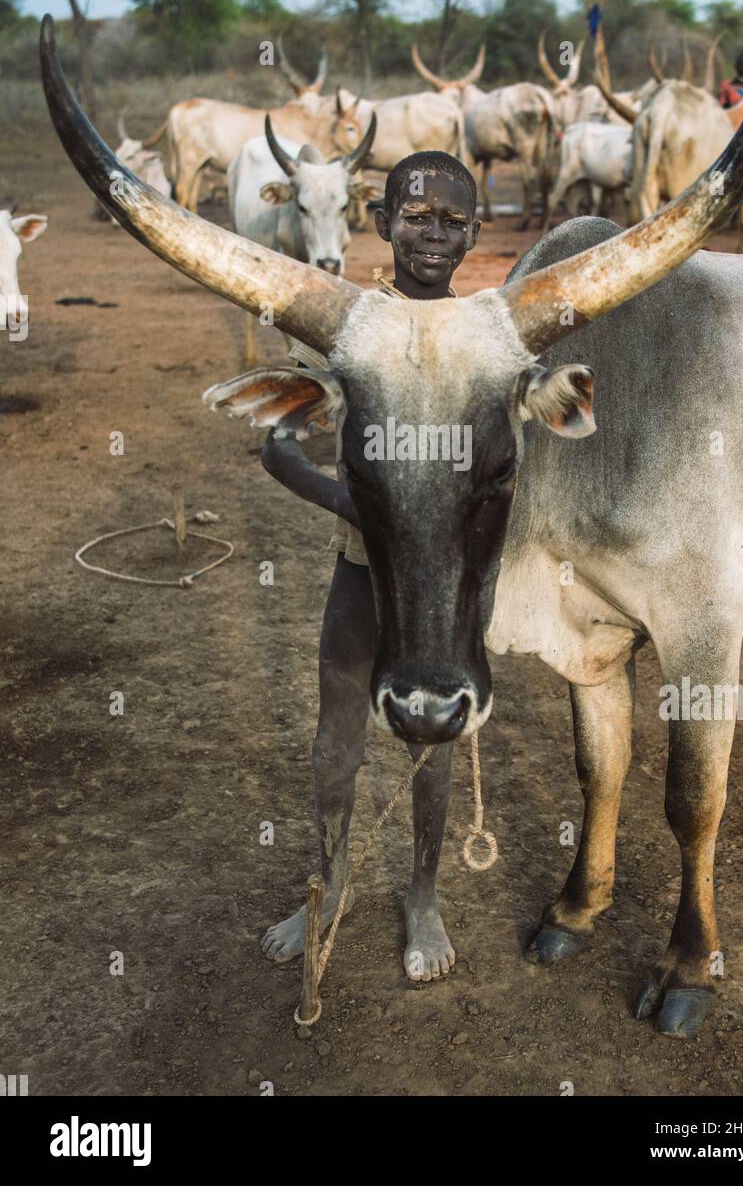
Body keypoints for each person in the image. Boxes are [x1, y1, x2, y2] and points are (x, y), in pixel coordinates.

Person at [259, 150, 480, 982]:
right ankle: (331, 877)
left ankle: (423, 897)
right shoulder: (342, 327)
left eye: (451, 221)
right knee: (336, 741)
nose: (432, 234)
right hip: (359, 575)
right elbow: (278, 446)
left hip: (442, 592)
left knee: (435, 745)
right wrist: (349, 503)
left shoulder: (485, 338)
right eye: (415, 217)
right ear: (380, 222)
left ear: (472, 234)